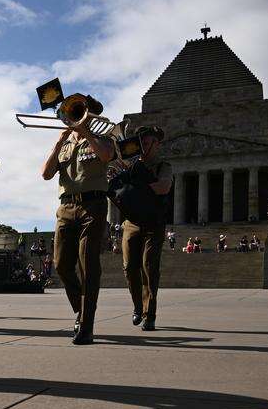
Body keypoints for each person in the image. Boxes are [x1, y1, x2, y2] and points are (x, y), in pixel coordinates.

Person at [41, 96, 113, 344]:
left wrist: (87, 133)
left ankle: (86, 325)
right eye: (75, 113)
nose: (78, 117)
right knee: (61, 265)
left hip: (93, 205)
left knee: (88, 264)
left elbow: (105, 156)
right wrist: (58, 143)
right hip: (66, 206)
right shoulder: (64, 144)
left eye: (83, 113)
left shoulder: (103, 138)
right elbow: (46, 174)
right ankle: (81, 311)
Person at [120, 126, 172, 331]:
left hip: (153, 222)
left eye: (148, 142)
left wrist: (137, 184)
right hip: (131, 222)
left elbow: (164, 187)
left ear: (157, 144)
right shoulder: (129, 165)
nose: (143, 147)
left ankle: (150, 313)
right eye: (141, 143)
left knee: (149, 266)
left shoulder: (163, 166)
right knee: (129, 267)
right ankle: (137, 306)